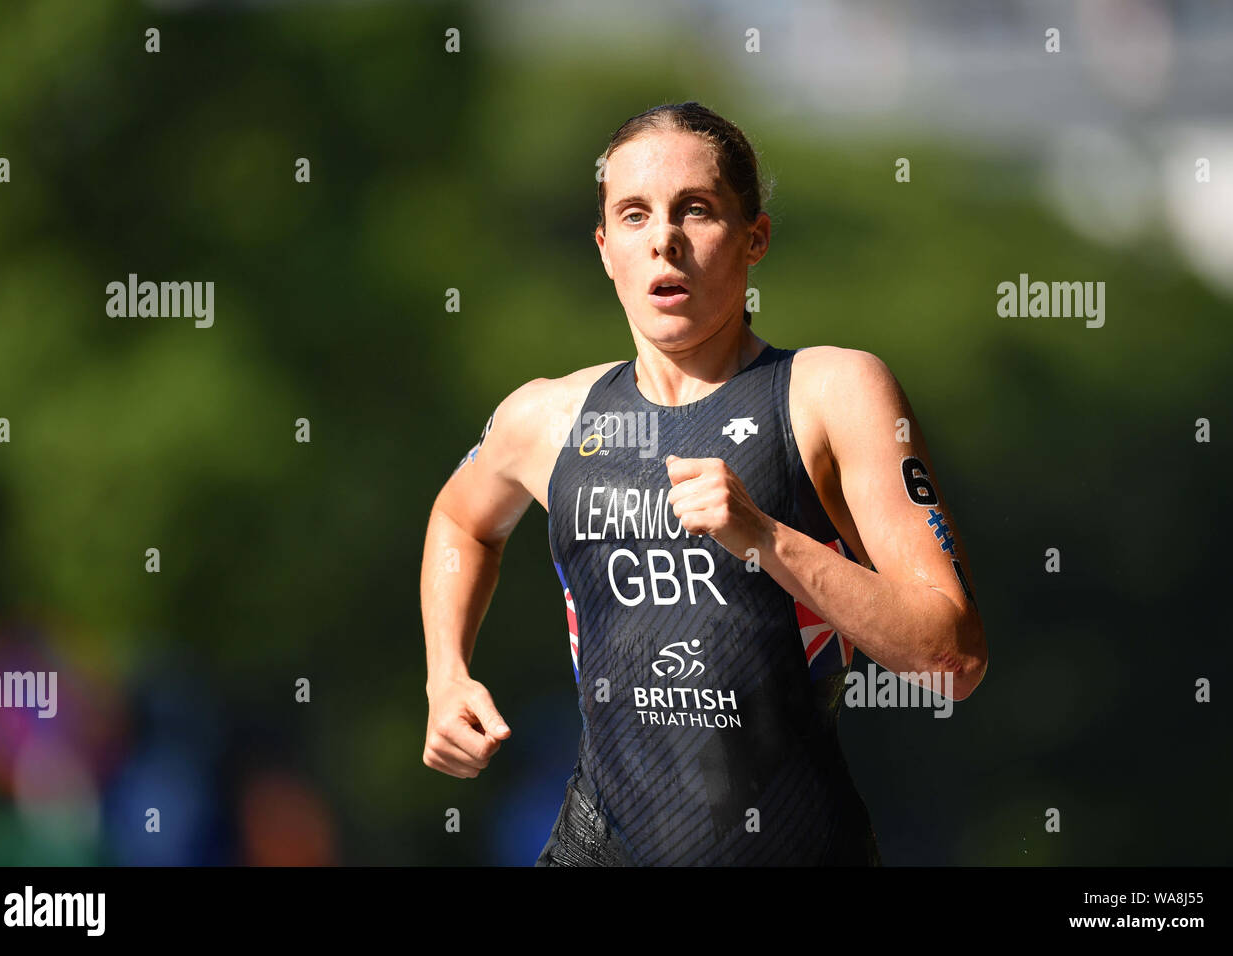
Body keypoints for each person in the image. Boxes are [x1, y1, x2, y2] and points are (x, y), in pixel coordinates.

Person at [420, 101, 987, 865]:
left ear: (755, 239)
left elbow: (953, 661)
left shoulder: (832, 393)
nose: (664, 241)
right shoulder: (547, 416)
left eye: (696, 210)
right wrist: (447, 675)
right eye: (633, 215)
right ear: (604, 247)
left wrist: (766, 538)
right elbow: (462, 522)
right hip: (598, 849)